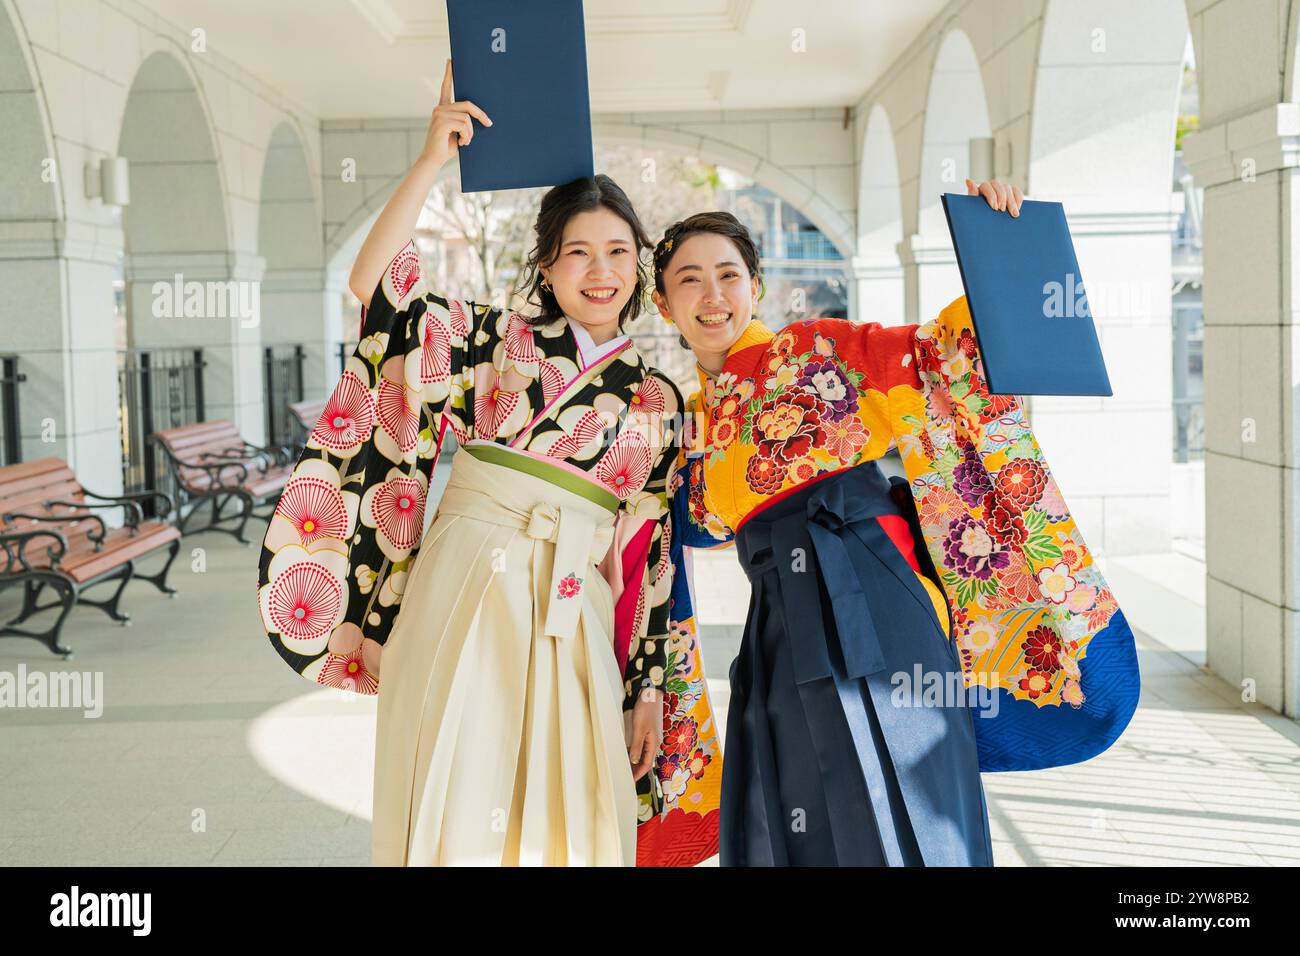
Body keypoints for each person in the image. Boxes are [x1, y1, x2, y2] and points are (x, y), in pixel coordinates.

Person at [257, 60, 721, 866]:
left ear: (639, 268)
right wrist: (434, 157)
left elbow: (649, 561)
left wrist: (647, 686)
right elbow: (377, 291)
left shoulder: (655, 399)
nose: (601, 270)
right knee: (457, 786)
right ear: (546, 266)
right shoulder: (492, 342)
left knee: (576, 803)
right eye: (578, 252)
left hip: (574, 608)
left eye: (618, 251)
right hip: (465, 582)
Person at [650, 183, 1140, 866]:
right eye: (689, 280)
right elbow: (688, 526)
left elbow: (942, 355)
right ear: (662, 304)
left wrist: (1006, 243)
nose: (712, 295)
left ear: (756, 286)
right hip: (777, 630)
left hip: (876, 598)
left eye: (728, 275)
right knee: (802, 812)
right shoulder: (688, 423)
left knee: (912, 791)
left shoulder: (815, 351)